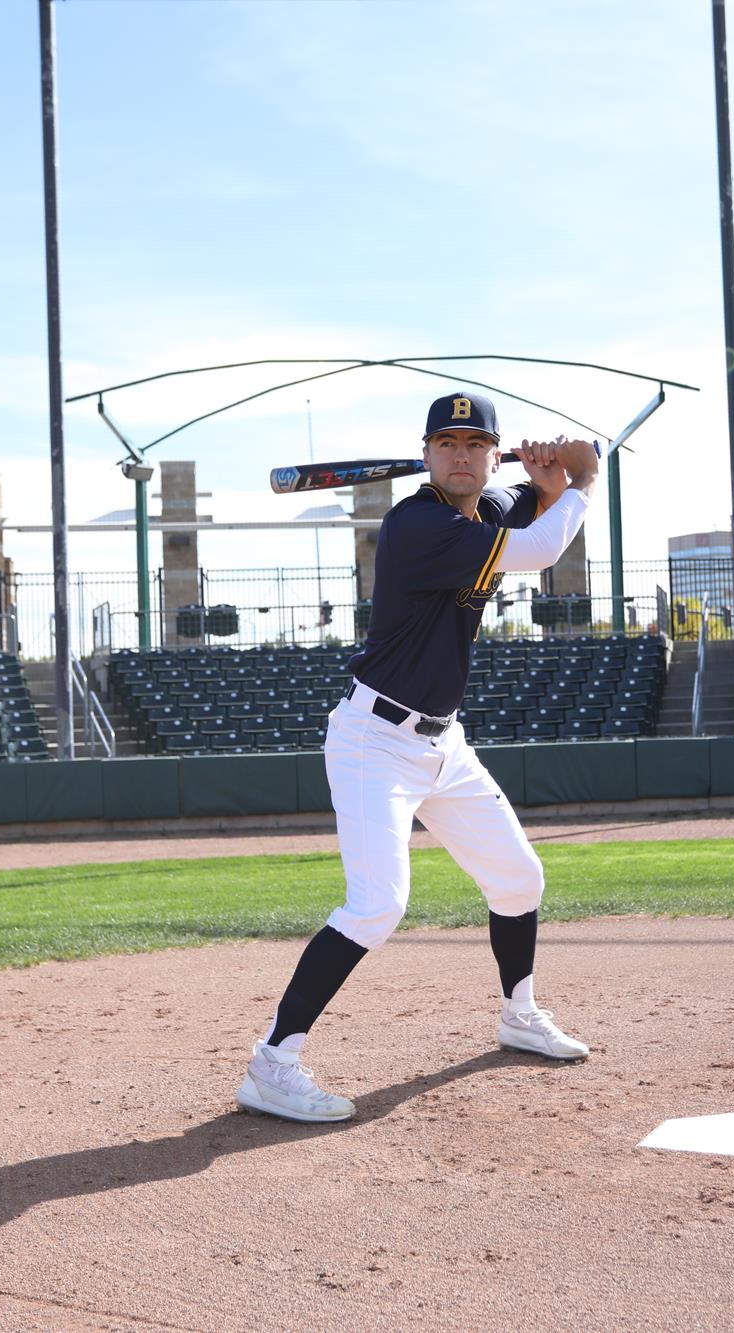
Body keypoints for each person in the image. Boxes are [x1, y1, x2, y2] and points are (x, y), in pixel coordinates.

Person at [235, 390, 601, 1123]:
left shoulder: (489, 506)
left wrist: (555, 470)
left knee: (519, 877)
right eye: (448, 443)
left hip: (444, 742)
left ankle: (518, 1013)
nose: (462, 455)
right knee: (377, 905)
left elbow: (559, 483)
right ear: (427, 453)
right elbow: (538, 549)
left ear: (492, 455)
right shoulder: (418, 523)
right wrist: (580, 489)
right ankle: (272, 1064)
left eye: (476, 443)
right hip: (375, 742)